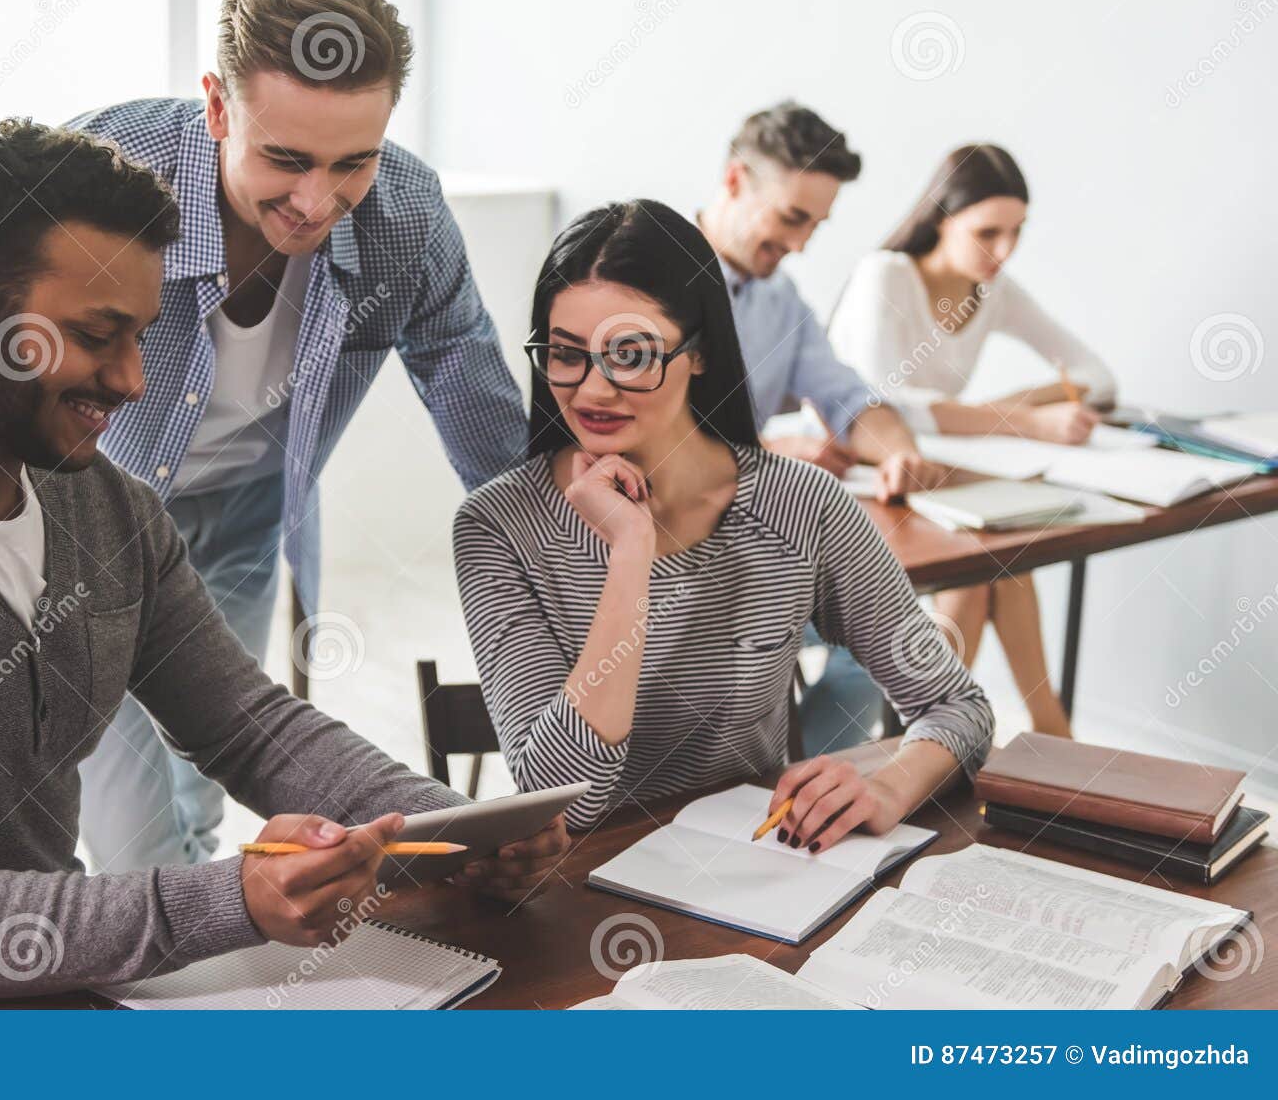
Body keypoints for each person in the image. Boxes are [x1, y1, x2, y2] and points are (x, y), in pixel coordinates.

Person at [0, 119, 565, 1008]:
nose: (134, 379)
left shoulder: (105, 509)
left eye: (140, 334)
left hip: (35, 1003)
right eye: (99, 335)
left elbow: (249, 726)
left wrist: (451, 831)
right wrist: (234, 898)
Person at [0, 0, 527, 873]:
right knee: (135, 834)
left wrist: (585, 580)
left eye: (353, 162)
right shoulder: (100, 174)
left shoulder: (406, 220)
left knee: (203, 793)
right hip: (80, 522)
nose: (318, 202)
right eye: (285, 159)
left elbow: (486, 420)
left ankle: (172, 995)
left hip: (239, 514)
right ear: (219, 108)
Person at [452, 200, 993, 842]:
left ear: (700, 351)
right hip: (578, 892)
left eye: (630, 353)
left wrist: (887, 786)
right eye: (566, 354)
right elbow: (564, 804)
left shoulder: (803, 505)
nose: (592, 390)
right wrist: (629, 555)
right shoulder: (496, 526)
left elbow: (959, 706)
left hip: (761, 875)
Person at [829, 144, 1116, 737]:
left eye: (1017, 233)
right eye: (989, 232)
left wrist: (1008, 408)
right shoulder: (886, 275)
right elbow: (884, 404)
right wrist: (1026, 419)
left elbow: (1097, 378)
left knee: (998, 553)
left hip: (931, 475)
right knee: (989, 557)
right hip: (853, 477)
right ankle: (1010, 734)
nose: (1004, 252)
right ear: (942, 217)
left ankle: (949, 740)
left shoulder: (992, 292)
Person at [695, 101, 951, 755]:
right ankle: (772, 795)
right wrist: (765, 453)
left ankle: (791, 795)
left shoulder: (779, 302)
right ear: (734, 182)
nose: (802, 243)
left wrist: (897, 451)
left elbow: (845, 397)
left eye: (817, 224)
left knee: (885, 641)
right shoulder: (645, 280)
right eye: (791, 218)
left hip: (750, 560)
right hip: (666, 574)